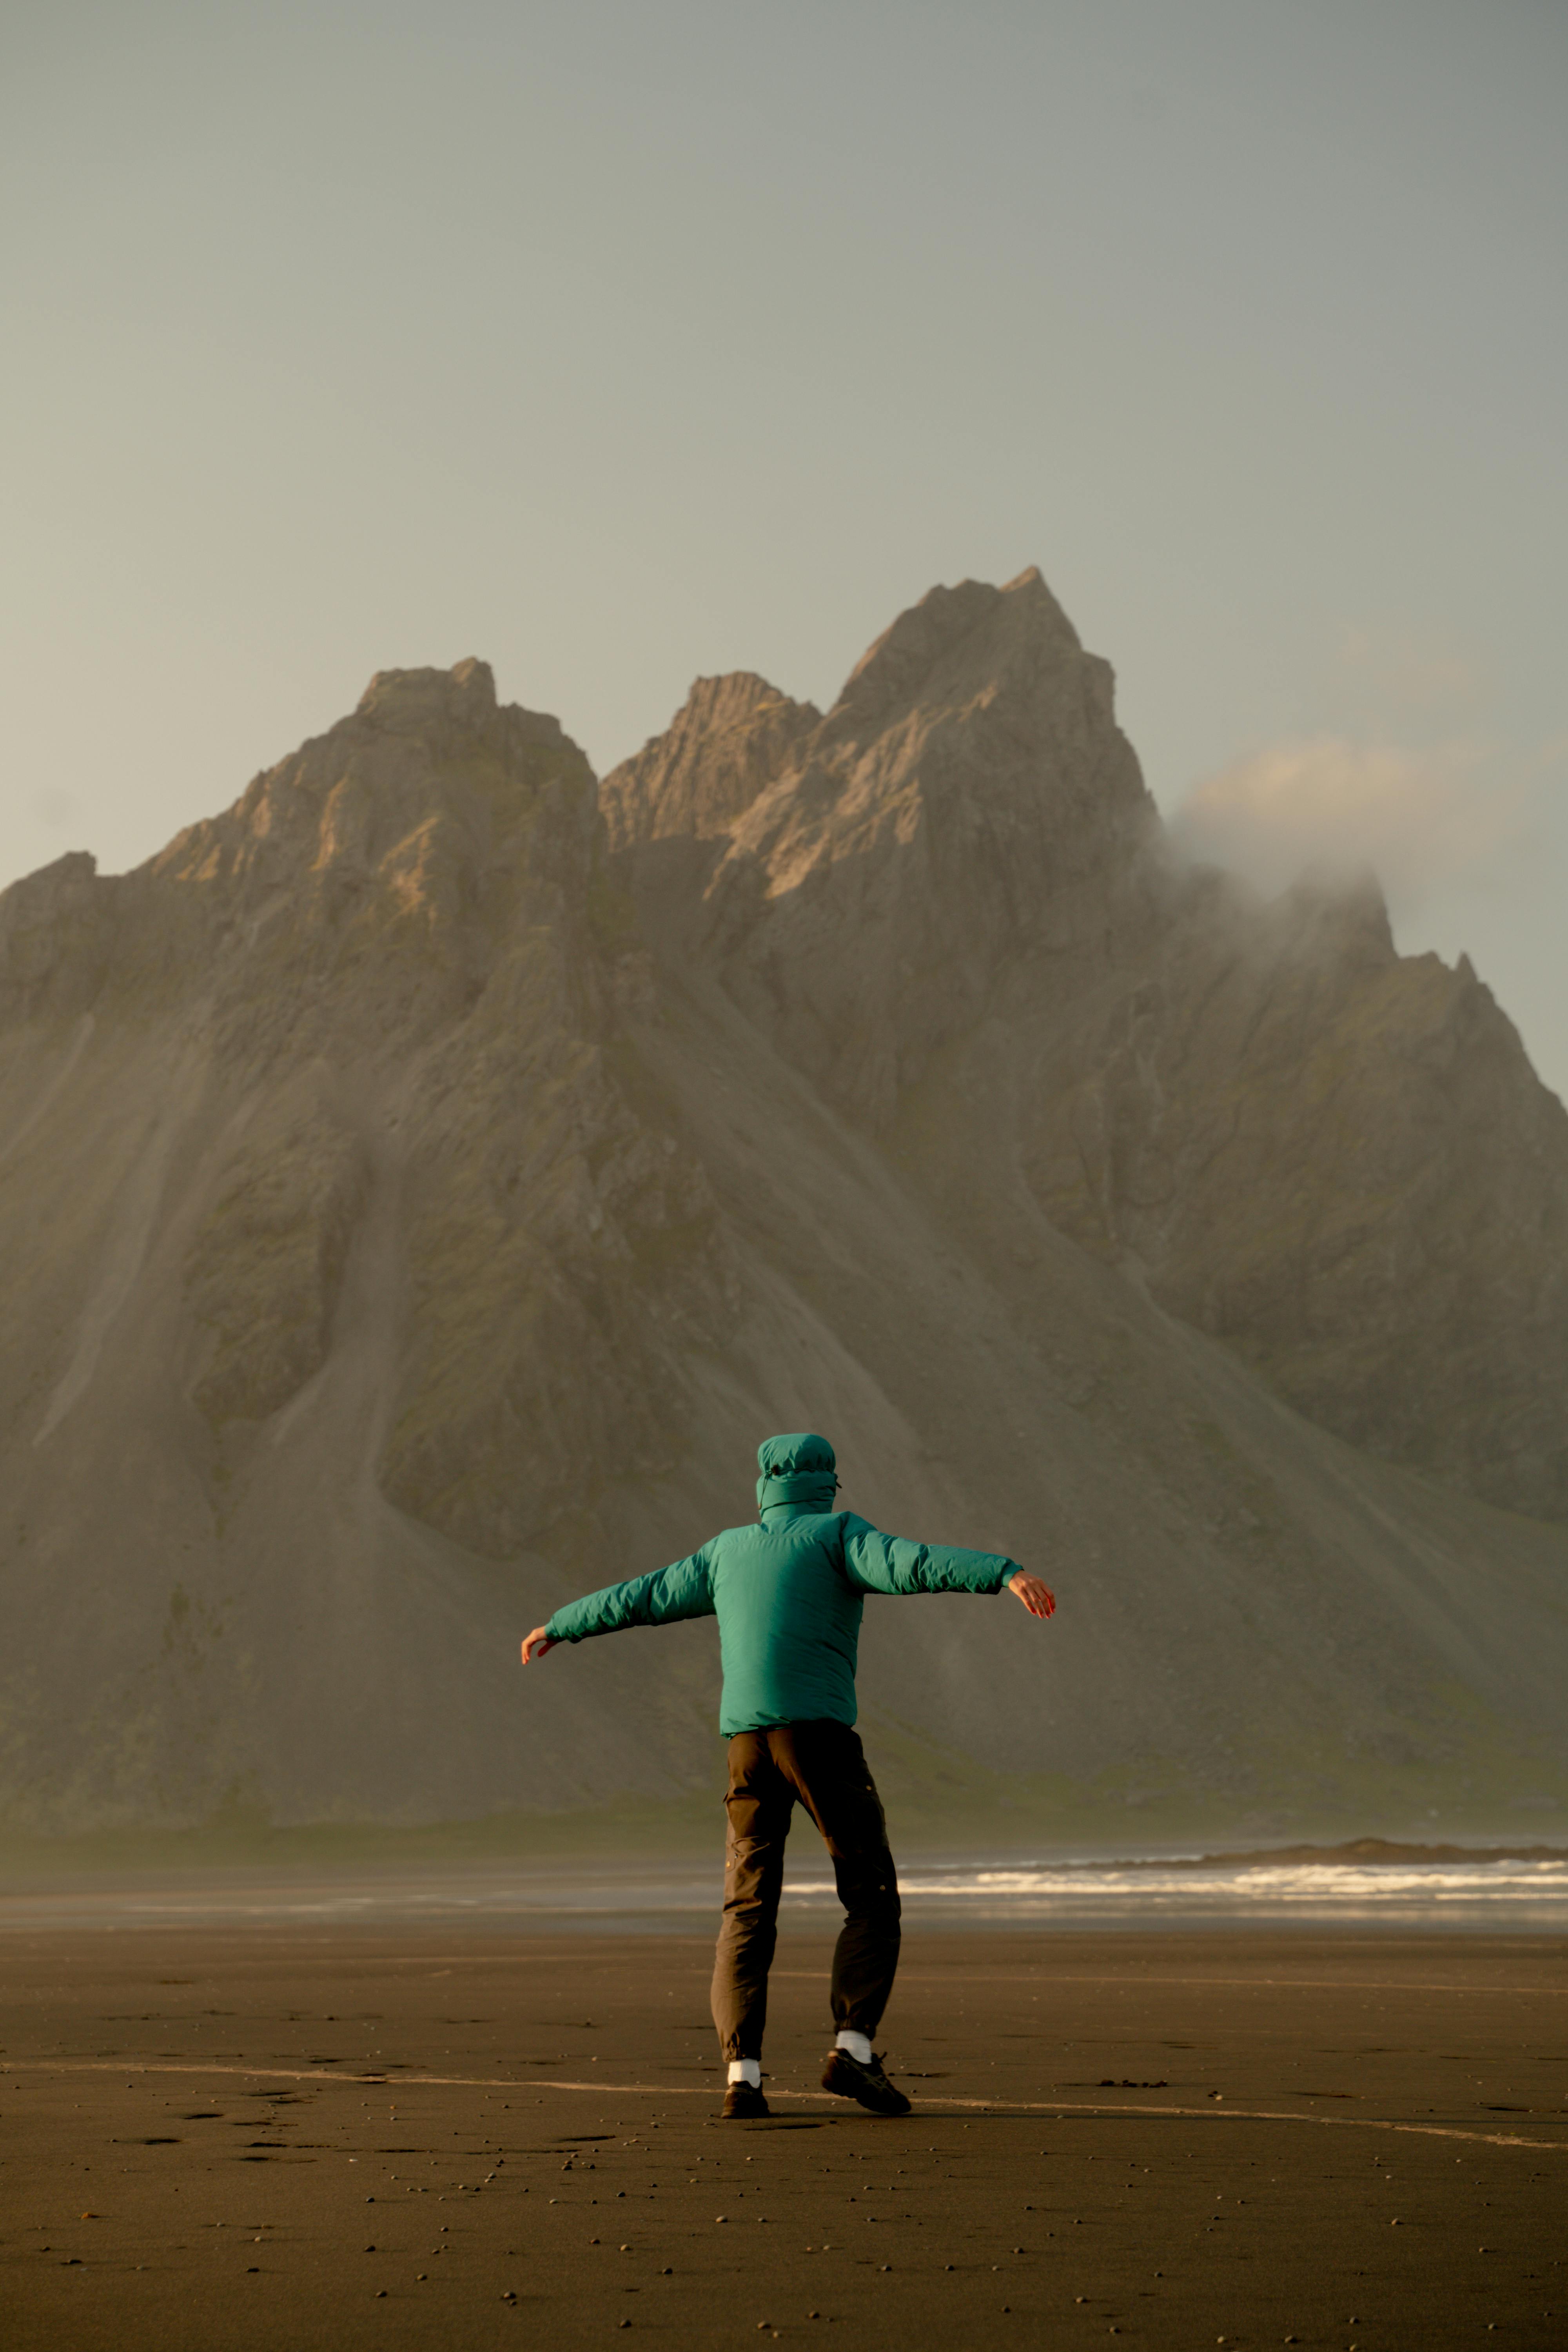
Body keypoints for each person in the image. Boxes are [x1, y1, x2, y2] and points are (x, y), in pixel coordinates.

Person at [521, 1431, 1056, 2120]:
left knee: (747, 1910)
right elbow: (915, 1564)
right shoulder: (838, 1537)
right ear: (827, 1484)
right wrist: (1004, 1571)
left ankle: (742, 2079)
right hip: (819, 1744)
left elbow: (643, 1596)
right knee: (870, 1896)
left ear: (764, 1487)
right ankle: (853, 2051)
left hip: (746, 1748)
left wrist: (561, 1624)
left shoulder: (725, 1552)